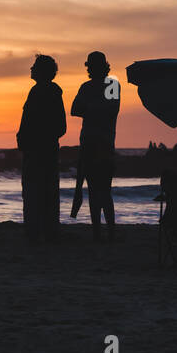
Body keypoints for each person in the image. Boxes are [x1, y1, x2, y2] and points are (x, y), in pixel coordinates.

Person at [17, 54, 66, 244]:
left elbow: (59, 126)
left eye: (35, 67)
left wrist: (34, 138)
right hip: (42, 149)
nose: (31, 69)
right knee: (45, 192)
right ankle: (45, 231)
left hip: (39, 150)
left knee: (35, 191)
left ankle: (37, 232)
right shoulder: (42, 91)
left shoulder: (45, 92)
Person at [70, 51, 119, 241]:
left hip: (103, 144)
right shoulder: (86, 86)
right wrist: (96, 107)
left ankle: (110, 231)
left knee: (103, 191)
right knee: (93, 190)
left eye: (91, 65)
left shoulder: (111, 84)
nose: (89, 68)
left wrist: (90, 107)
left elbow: (111, 109)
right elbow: (75, 109)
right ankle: (98, 231)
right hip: (90, 143)